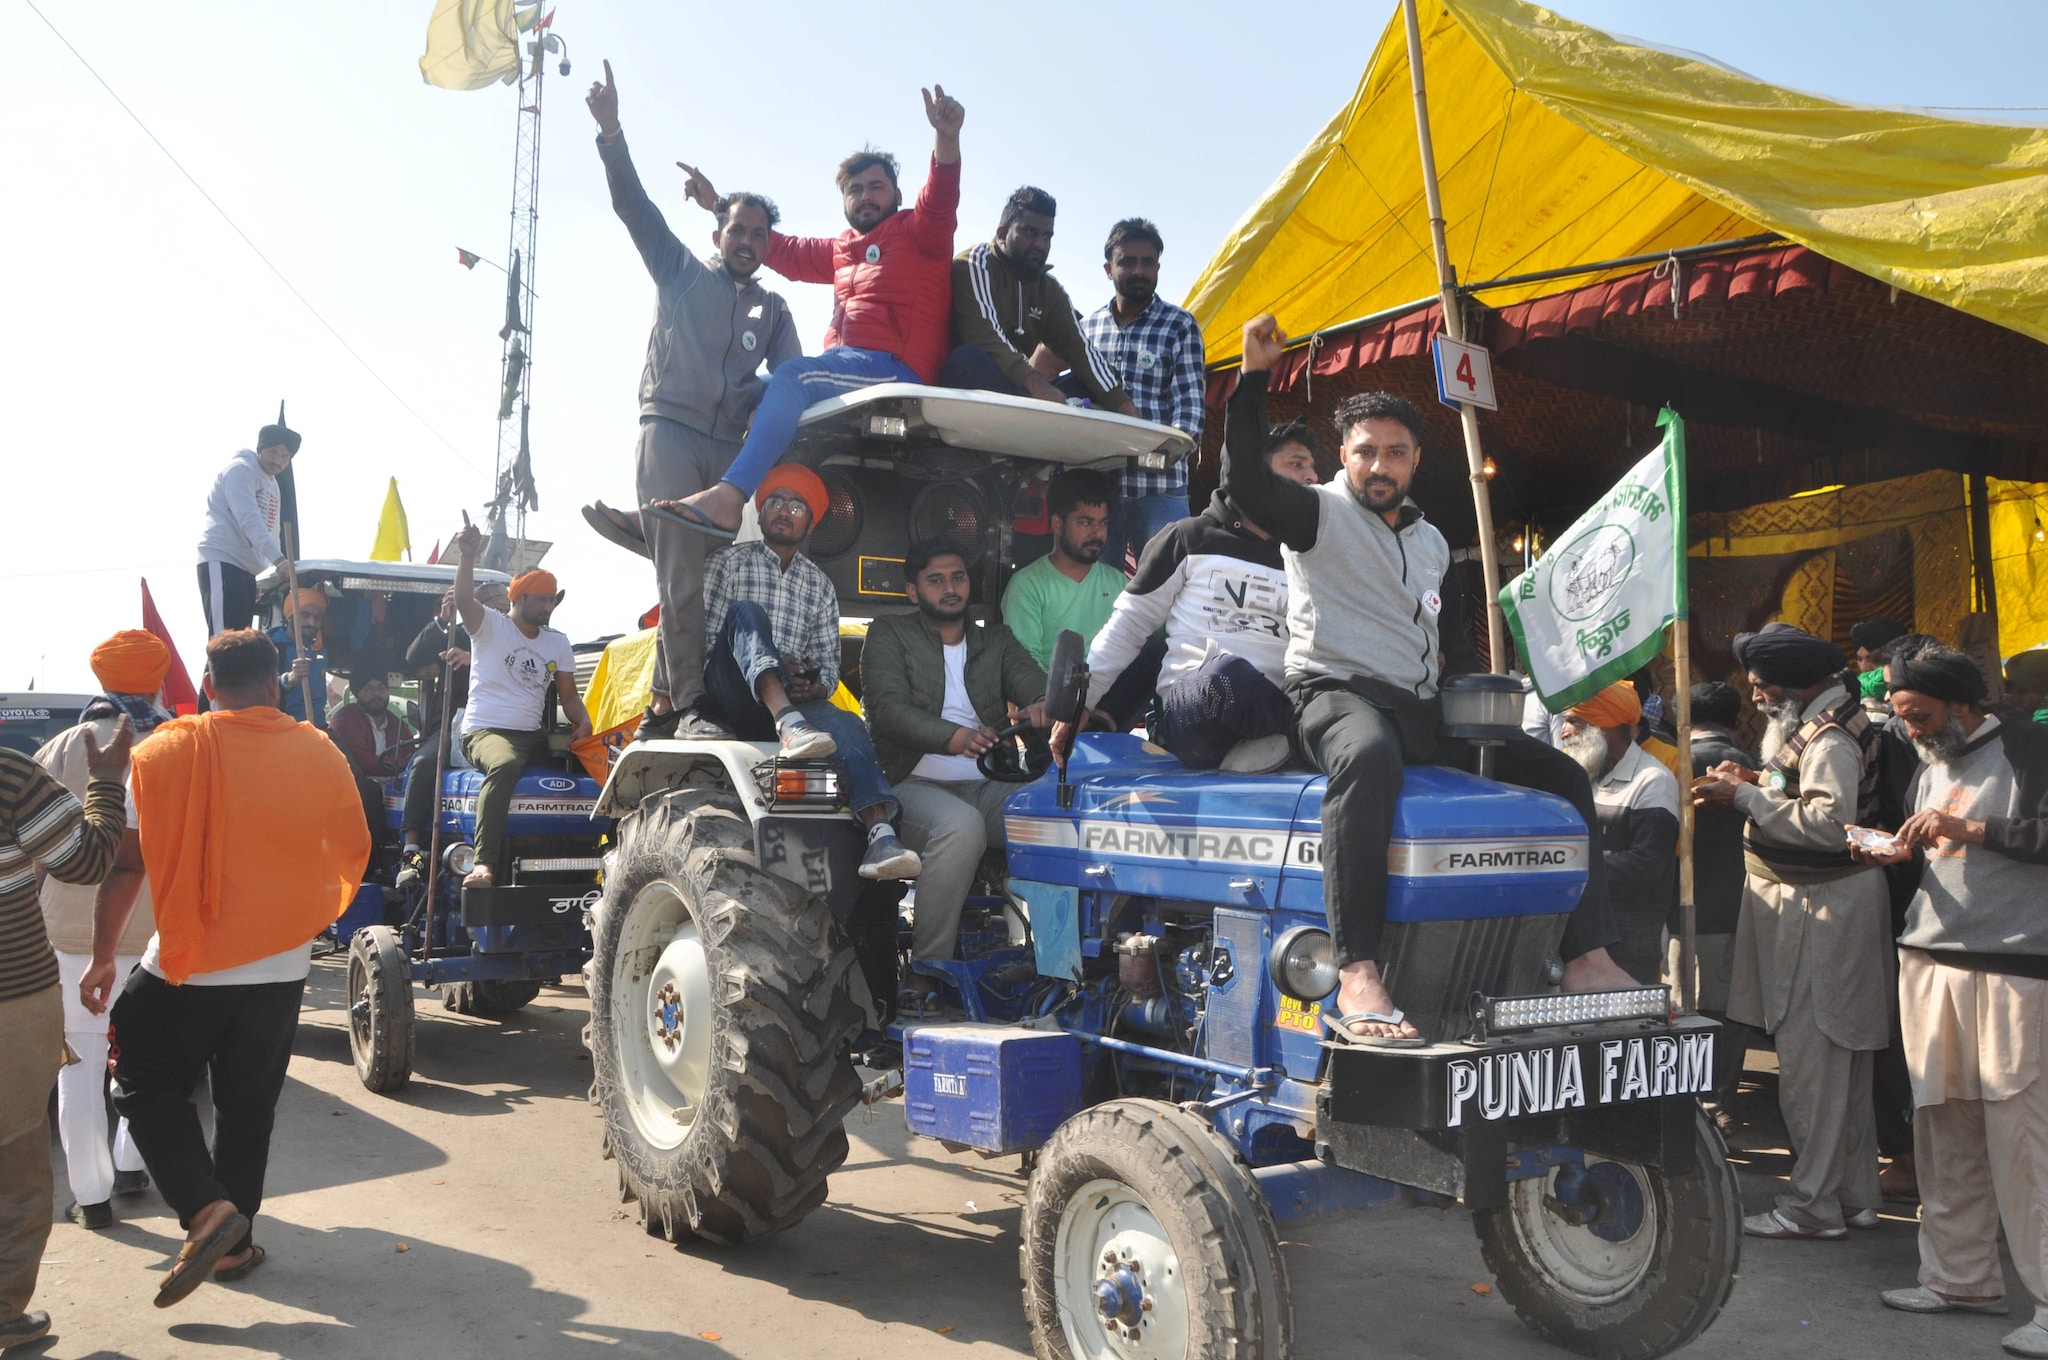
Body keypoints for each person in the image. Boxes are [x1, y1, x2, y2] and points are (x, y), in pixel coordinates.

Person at [1219, 315, 1634, 1042]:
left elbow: (1450, 649)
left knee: (1565, 778)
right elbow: (1247, 483)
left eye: (1396, 453)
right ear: (1342, 456)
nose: (1380, 466)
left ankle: (1588, 957)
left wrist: (1484, 692)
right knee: (1368, 754)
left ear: (1416, 459)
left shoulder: (1434, 541)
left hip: (1420, 708)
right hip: (1334, 696)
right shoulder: (1314, 512)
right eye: (1366, 452)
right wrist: (1253, 380)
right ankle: (1357, 973)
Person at [83, 629, 366, 1307]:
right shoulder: (318, 749)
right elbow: (351, 845)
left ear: (208, 688)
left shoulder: (163, 751)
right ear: (275, 685)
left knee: (143, 1085)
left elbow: (127, 865)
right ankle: (235, 1247)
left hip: (188, 964)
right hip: (282, 964)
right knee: (247, 1110)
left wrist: (101, 957)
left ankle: (207, 1210)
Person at [584, 60, 802, 739]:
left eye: (758, 235)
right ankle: (689, 710)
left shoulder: (774, 306)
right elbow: (633, 208)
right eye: (736, 230)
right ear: (717, 236)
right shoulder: (680, 271)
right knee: (680, 582)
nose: (746, 241)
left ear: (768, 247)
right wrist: (613, 132)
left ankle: (658, 697)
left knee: (700, 583)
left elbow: (793, 383)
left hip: (728, 461)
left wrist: (754, 400)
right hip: (670, 434)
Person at [654, 86, 966, 539]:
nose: (865, 196)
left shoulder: (921, 232)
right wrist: (718, 206)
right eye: (854, 190)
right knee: (740, 390)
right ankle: (690, 507)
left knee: (793, 377)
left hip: (895, 370)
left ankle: (728, 498)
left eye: (876, 186)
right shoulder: (843, 249)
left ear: (897, 193)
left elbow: (940, 197)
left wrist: (946, 138)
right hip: (841, 369)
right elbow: (780, 249)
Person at [1859, 641, 2048, 1357]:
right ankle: (1959, 1278)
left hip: (2014, 967)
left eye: (1921, 714)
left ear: (1967, 705)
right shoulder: (1929, 764)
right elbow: (1940, 849)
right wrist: (1893, 850)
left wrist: (1970, 828)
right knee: (1944, 1126)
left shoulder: (2034, 748)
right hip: (1930, 960)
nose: (1912, 729)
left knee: (2025, 1134)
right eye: (1904, 716)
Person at [1696, 621, 1889, 1239]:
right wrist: (1752, 781)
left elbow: (1830, 823)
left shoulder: (1831, 737)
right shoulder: (1822, 722)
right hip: (1820, 907)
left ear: (1796, 684)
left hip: (1822, 911)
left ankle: (1812, 1207)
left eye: (1761, 686)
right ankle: (1854, 1196)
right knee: (1841, 1065)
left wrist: (1746, 802)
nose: (1754, 697)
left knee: (1814, 1062)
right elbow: (1800, 793)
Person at [1058, 419, 1321, 773]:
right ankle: (1297, 741)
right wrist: (1079, 705)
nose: (1312, 478)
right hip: (1196, 711)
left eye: (1312, 467)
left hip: (1279, 706)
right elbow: (1128, 627)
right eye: (1297, 464)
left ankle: (1272, 745)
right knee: (1228, 675)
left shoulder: (1309, 557)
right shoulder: (1188, 539)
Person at [700, 465, 919, 880]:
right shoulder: (727, 562)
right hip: (730, 690)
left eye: (797, 504)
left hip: (794, 702)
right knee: (747, 613)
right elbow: (707, 646)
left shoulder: (819, 585)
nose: (785, 510)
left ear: (811, 522)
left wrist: (812, 683)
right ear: (761, 514)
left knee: (848, 724)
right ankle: (787, 723)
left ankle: (880, 834)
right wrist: (774, 663)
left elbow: (829, 667)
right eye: (775, 502)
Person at [33, 633, 169, 1233]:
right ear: (159, 680)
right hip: (160, 927)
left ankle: (92, 1197)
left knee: (79, 1062)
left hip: (72, 933)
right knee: (145, 1056)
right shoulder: (176, 741)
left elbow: (29, 841)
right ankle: (133, 1163)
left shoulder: (63, 746)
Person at [0, 718, 128, 1350]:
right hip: (11, 1000)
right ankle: (1, 1314)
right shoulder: (9, 774)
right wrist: (106, 781)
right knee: (17, 1159)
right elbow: (88, 860)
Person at [861, 542, 1047, 977]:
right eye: (936, 580)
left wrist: (1041, 701)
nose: (950, 588)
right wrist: (954, 738)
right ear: (913, 591)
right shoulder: (888, 632)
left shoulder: (995, 640)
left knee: (1054, 818)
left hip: (987, 785)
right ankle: (928, 973)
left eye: (958, 577)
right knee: (961, 828)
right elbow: (888, 712)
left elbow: (1030, 678)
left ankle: (1057, 969)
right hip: (910, 785)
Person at [452, 520, 593, 889]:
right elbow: (465, 601)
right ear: (519, 598)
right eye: (542, 599)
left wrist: (584, 723)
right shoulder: (491, 626)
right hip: (486, 731)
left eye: (552, 599)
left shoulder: (557, 642)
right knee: (505, 764)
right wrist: (467, 557)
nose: (549, 606)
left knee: (593, 767)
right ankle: (484, 863)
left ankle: (596, 862)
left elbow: (570, 697)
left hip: (534, 736)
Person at [1081, 219, 1207, 568]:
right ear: (1109, 268)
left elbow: (1190, 412)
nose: (1139, 270)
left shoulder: (1180, 325)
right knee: (1096, 593)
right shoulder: (1085, 329)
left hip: (1160, 489)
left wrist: (1160, 456)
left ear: (1158, 268)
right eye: (1127, 262)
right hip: (1098, 495)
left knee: (1167, 591)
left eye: (1148, 262)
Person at [940, 186, 1131, 412]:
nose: (1040, 244)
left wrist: (1125, 406)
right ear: (1002, 234)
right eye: (1029, 232)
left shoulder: (1050, 289)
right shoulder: (975, 264)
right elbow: (984, 336)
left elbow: (1081, 349)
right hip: (975, 391)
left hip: (1021, 394)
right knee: (968, 358)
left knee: (1096, 384)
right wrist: (1036, 384)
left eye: (1046, 236)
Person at [1676, 681, 1761, 1118]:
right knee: (1726, 1008)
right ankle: (1717, 1101)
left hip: (1681, 907)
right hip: (1735, 904)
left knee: (1684, 1007)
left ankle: (1690, 1101)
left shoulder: (1671, 758)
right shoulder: (1750, 766)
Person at [1560, 680, 1681, 986]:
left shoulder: (1653, 781)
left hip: (1626, 949)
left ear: (1604, 726)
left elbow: (1647, 865)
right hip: (1577, 947)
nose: (1563, 732)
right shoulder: (1581, 775)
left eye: (1573, 721)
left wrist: (1579, 867)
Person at [397, 581, 508, 874]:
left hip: (500, 726)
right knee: (423, 763)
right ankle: (411, 854)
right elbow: (414, 658)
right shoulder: (455, 636)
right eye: (495, 611)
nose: (502, 619)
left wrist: (475, 661)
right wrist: (444, 619)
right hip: (455, 725)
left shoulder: (516, 641)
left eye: (505, 612)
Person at [1000, 470, 1124, 668]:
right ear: (1057, 524)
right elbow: (1024, 666)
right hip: (1053, 697)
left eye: (1103, 523)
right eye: (1085, 522)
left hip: (1116, 694)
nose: (1097, 533)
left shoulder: (1118, 583)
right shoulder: (1027, 586)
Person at [195, 412, 299, 637]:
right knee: (223, 640)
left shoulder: (273, 484)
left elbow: (273, 531)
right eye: (273, 452)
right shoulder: (240, 470)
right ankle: (213, 674)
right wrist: (279, 561)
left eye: (284, 456)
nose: (278, 460)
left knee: (242, 643)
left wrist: (272, 571)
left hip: (248, 571)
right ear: (261, 448)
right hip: (223, 560)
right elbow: (249, 519)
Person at [329, 676, 417, 862]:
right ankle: (372, 862)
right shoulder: (345, 718)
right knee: (373, 790)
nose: (376, 694)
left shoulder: (396, 722)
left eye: (380, 687)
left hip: (394, 783)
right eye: (368, 688)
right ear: (357, 693)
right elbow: (357, 757)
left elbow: (410, 753)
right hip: (358, 786)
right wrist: (392, 765)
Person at [268, 587, 330, 729]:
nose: (312, 623)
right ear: (290, 615)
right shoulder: (270, 646)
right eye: (305, 615)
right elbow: (256, 690)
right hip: (283, 730)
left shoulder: (319, 649)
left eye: (317, 617)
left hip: (316, 730)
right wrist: (288, 679)